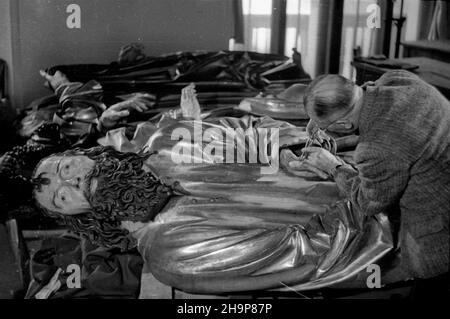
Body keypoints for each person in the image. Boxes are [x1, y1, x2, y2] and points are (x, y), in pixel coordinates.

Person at [30, 84, 391, 295]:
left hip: (372, 162)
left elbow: (249, 128)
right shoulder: (169, 252)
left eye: (65, 167)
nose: (72, 181)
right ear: (79, 219)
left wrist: (287, 147)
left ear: (84, 154)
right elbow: (308, 254)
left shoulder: (165, 140)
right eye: (62, 198)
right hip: (382, 221)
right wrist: (363, 191)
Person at [290, 70, 449, 280]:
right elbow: (390, 127)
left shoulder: (375, 149)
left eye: (324, 128)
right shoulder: (398, 79)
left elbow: (369, 202)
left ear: (344, 125)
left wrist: (333, 166)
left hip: (439, 225)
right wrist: (319, 122)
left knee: (428, 279)